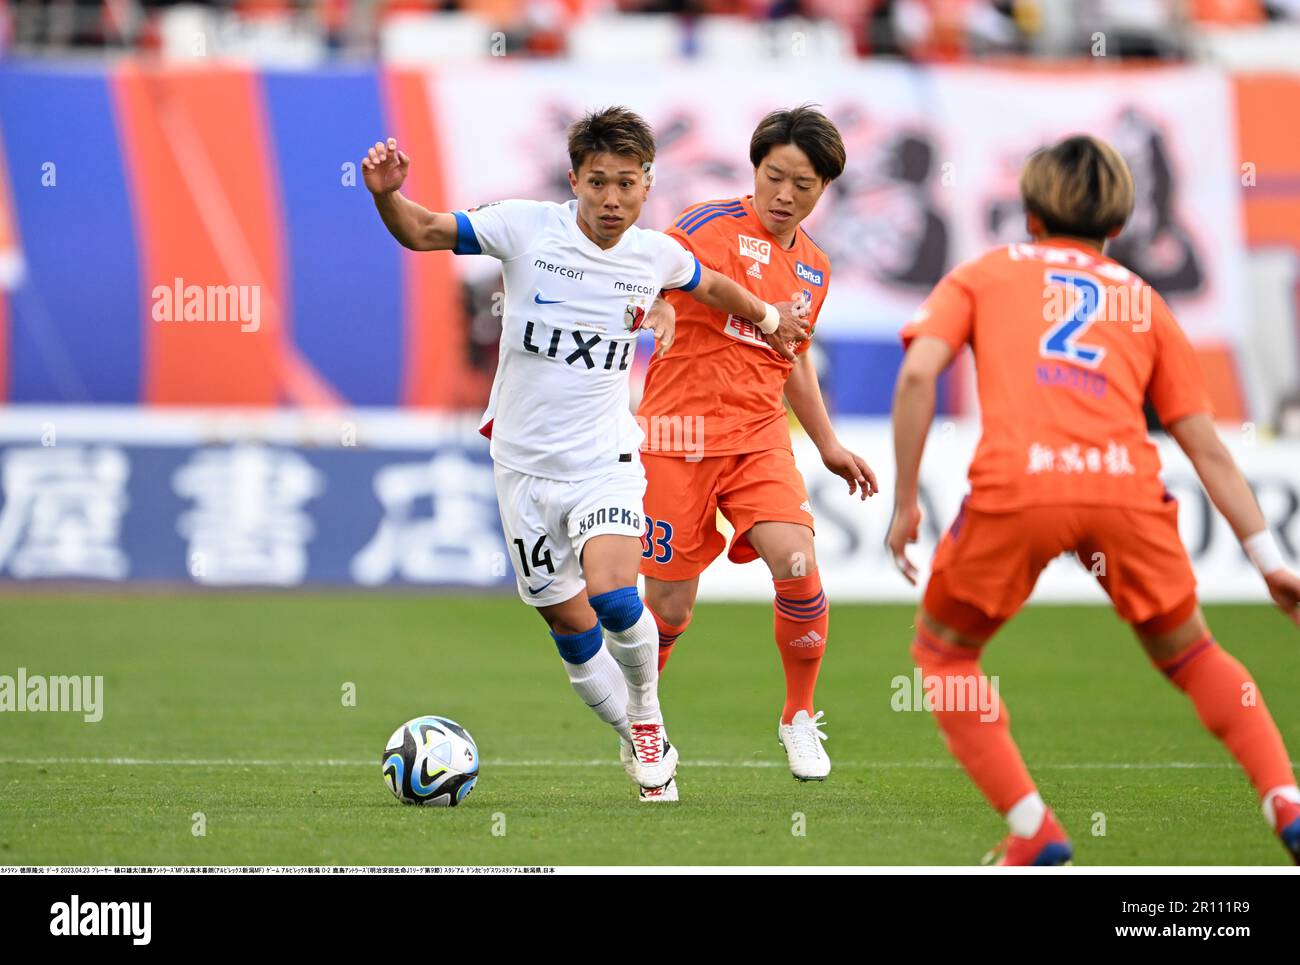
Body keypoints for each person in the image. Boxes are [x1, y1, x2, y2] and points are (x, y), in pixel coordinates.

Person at [362, 107, 809, 801]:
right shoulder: (525, 228)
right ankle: (632, 733)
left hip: (605, 456)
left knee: (613, 595)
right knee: (569, 623)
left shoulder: (653, 253)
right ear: (574, 179)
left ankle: (649, 717)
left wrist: (772, 318)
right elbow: (423, 230)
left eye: (627, 184)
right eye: (598, 182)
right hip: (521, 465)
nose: (611, 199)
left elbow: (712, 286)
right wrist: (387, 193)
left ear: (647, 184)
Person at [887, 133, 1300, 864]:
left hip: (1021, 484)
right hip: (1125, 488)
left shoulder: (985, 272)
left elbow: (920, 375)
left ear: (1030, 213)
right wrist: (1269, 558)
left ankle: (1031, 828)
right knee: (1194, 652)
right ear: (1117, 224)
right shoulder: (1145, 300)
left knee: (944, 656)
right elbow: (1205, 445)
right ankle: (1285, 798)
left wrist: (905, 502)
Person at [637, 105, 878, 785]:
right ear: (755, 169)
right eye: (776, 176)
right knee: (669, 609)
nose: (785, 195)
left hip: (757, 437)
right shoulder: (704, 228)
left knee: (797, 560)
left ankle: (798, 714)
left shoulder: (815, 269)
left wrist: (826, 442)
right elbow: (641, 282)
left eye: (805, 185)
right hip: (675, 438)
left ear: (824, 190)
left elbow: (793, 356)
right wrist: (652, 308)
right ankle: (642, 715)